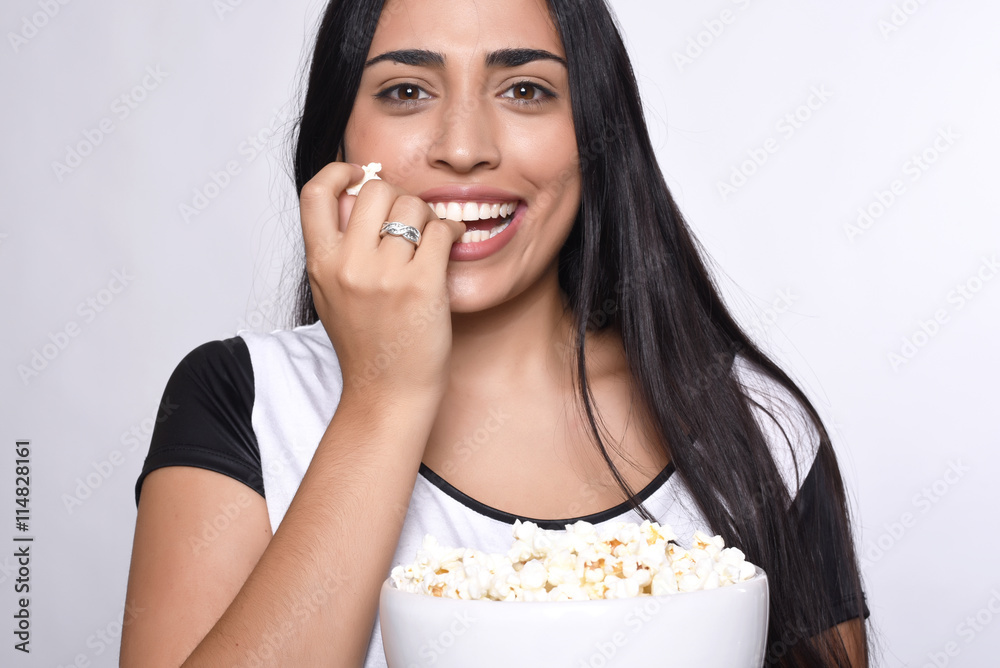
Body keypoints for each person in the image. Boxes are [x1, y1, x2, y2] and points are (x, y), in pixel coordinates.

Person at [121, 0, 871, 665]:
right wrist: (385, 394)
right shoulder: (241, 399)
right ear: (339, 141)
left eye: (525, 89)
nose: (464, 145)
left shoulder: (759, 429)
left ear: (594, 138)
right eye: (407, 90)